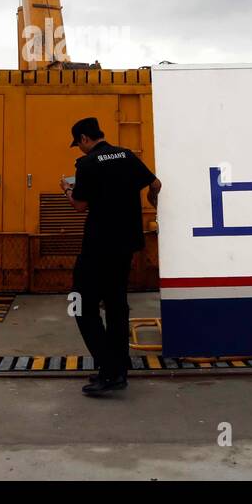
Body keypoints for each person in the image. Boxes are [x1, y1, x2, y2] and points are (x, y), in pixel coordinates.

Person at [60, 116, 161, 396]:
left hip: (98, 247)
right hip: (126, 245)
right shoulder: (127, 156)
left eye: (78, 143)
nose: (80, 148)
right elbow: (156, 184)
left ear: (84, 139)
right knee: (116, 304)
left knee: (81, 304)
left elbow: (80, 205)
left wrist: (67, 189)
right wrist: (151, 202)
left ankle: (110, 369)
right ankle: (119, 366)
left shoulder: (87, 164)